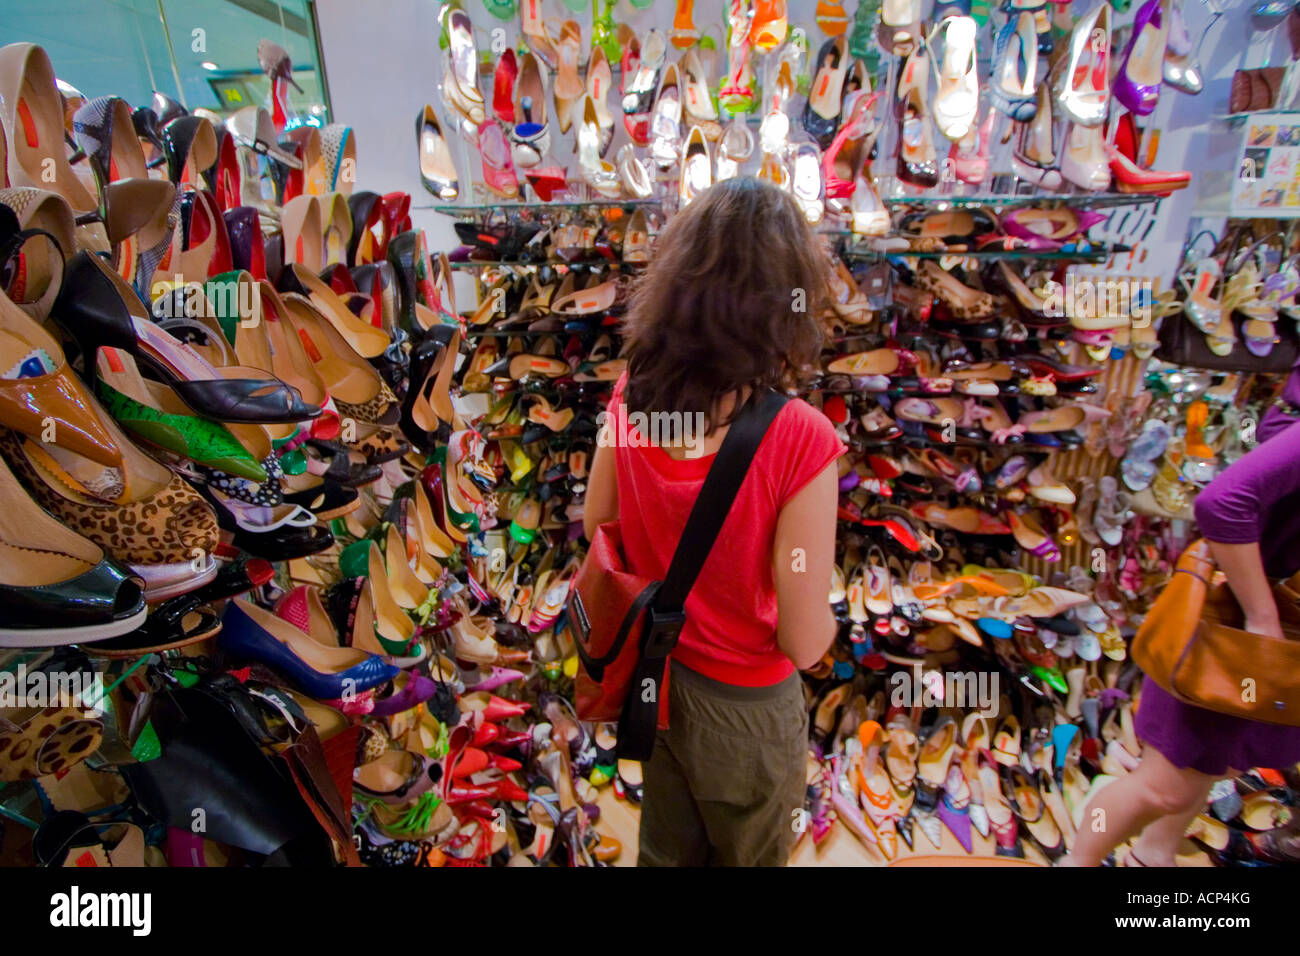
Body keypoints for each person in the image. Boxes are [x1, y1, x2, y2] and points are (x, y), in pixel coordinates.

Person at [582, 178, 844, 866]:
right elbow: (804, 641)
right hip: (746, 708)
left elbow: (597, 521)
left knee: (667, 851)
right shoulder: (801, 439)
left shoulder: (632, 394)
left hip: (658, 678)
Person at [1064, 417, 1300, 866]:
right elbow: (1223, 502)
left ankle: (1153, 854)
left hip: (1281, 641)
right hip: (1243, 628)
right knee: (1163, 788)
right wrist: (1261, 616)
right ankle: (1078, 860)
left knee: (1224, 765)